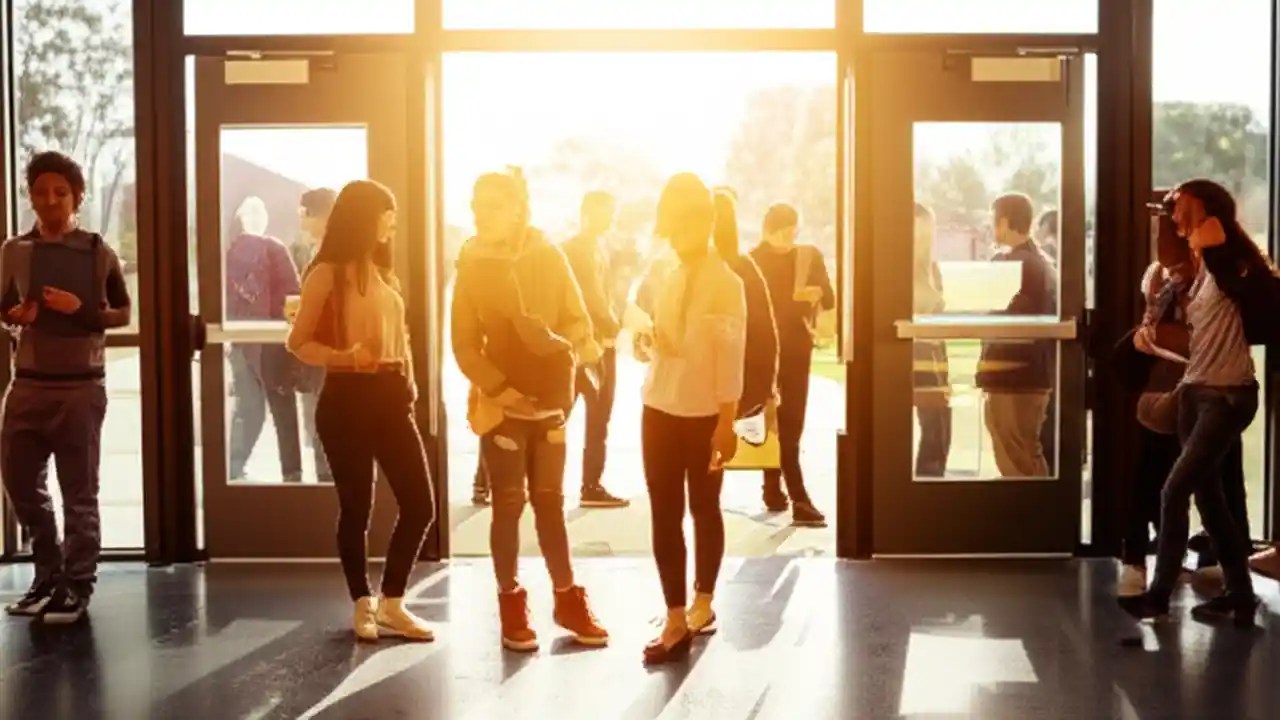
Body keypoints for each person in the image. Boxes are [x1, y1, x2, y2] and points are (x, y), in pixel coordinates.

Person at [451, 168, 609, 653]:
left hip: (551, 406)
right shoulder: (471, 266)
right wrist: (500, 389)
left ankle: (567, 599)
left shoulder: (550, 257)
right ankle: (510, 604)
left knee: (550, 506)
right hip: (502, 409)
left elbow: (578, 322)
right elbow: (463, 345)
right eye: (475, 206)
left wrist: (568, 349)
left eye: (490, 206)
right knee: (507, 506)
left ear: (516, 209)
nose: (479, 215)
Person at [286, 179, 436, 642]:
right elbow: (298, 342)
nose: (392, 221)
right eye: (385, 213)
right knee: (358, 507)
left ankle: (393, 602)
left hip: (392, 396)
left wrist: (407, 383)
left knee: (420, 504)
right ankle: (362, 602)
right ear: (363, 218)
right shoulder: (327, 272)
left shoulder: (384, 275)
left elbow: (401, 339)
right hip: (347, 396)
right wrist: (345, 356)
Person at [1120, 179, 1263, 626]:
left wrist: (1202, 230)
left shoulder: (1228, 262)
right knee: (1210, 499)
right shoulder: (1198, 267)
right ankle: (1240, 596)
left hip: (1227, 395)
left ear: (1210, 213)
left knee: (1175, 488)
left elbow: (1242, 280)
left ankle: (1158, 596)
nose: (1177, 219)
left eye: (1184, 211)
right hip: (1196, 391)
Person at [1, 151, 132, 624]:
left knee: (79, 493)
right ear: (31, 197)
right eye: (39, 192)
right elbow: (3, 307)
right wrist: (16, 316)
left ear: (77, 196)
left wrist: (79, 308)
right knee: (20, 483)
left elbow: (123, 312)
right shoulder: (14, 251)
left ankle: (77, 585)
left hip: (80, 389)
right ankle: (47, 574)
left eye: (60, 192)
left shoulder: (98, 251)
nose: (50, 201)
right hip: (28, 386)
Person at [638, 173, 746, 665]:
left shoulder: (727, 283)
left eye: (684, 223)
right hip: (658, 408)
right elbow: (660, 334)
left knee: (704, 508)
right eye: (670, 224)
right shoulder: (666, 273)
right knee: (663, 512)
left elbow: (731, 355)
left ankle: (703, 601)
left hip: (704, 415)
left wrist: (727, 421)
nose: (676, 234)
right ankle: (675, 614)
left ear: (704, 222)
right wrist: (647, 342)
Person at [749, 203, 831, 526]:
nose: (788, 236)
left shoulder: (803, 257)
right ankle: (797, 496)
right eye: (783, 229)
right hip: (771, 351)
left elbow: (830, 299)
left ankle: (775, 488)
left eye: (792, 230)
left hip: (788, 350)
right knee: (776, 421)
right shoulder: (755, 260)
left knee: (788, 422)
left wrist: (814, 293)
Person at [976, 193, 1058, 478]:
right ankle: (1037, 513)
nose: (992, 228)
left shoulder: (1013, 263)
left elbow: (996, 314)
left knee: (1017, 455)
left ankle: (1034, 515)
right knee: (1023, 450)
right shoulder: (1040, 262)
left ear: (1005, 222)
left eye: (994, 221)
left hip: (1013, 378)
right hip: (1029, 376)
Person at [225, 196, 303, 483]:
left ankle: (234, 467)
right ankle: (292, 473)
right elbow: (293, 296)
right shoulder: (276, 249)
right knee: (283, 410)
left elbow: (225, 300)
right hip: (273, 343)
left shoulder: (230, 253)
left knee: (249, 408)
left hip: (242, 343)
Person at [562, 191, 630, 508]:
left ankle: (580, 482)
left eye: (611, 212)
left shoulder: (596, 248)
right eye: (605, 212)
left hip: (584, 344)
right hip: (591, 346)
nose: (609, 219)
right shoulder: (580, 249)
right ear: (587, 213)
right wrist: (613, 322)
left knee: (568, 412)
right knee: (594, 413)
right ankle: (590, 485)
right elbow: (591, 294)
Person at [292, 188, 337, 483]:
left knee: (324, 426)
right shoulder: (319, 251)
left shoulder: (331, 257)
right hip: (320, 355)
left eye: (304, 215)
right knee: (318, 426)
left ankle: (327, 483)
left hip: (327, 355)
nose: (302, 222)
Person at [912, 204, 952, 477]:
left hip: (933, 353)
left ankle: (930, 479)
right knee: (934, 422)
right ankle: (926, 478)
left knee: (938, 422)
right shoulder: (898, 269)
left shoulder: (932, 268)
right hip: (913, 353)